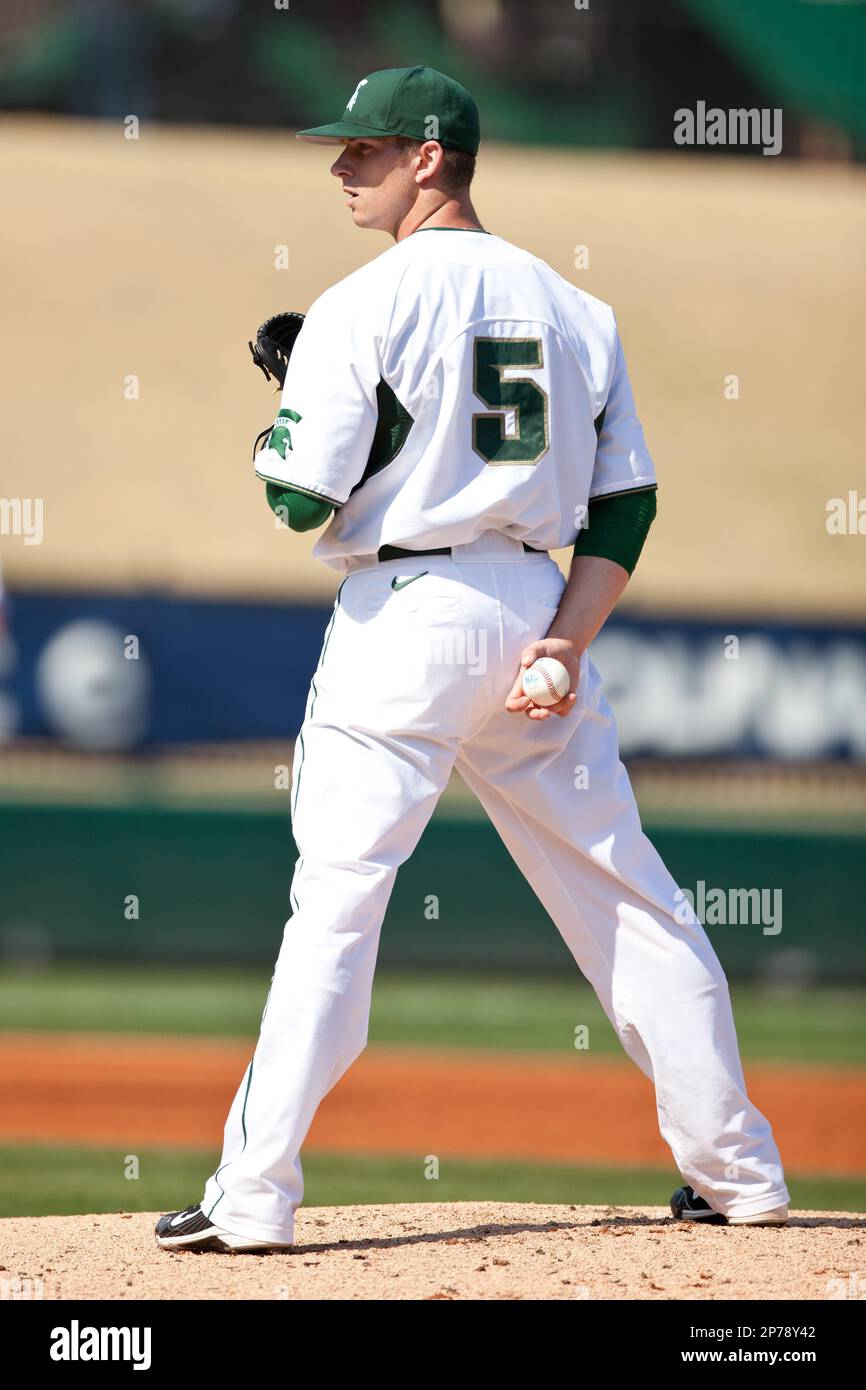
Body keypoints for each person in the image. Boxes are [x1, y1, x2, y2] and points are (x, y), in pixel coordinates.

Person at [156, 66, 789, 1253]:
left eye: (368, 149)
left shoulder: (364, 300)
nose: (343, 166)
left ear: (432, 157)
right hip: (532, 602)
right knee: (628, 895)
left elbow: (297, 498)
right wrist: (559, 641)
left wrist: (288, 405)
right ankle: (740, 1175)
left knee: (337, 906)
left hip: (401, 611)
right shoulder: (577, 310)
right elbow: (624, 511)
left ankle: (252, 1199)